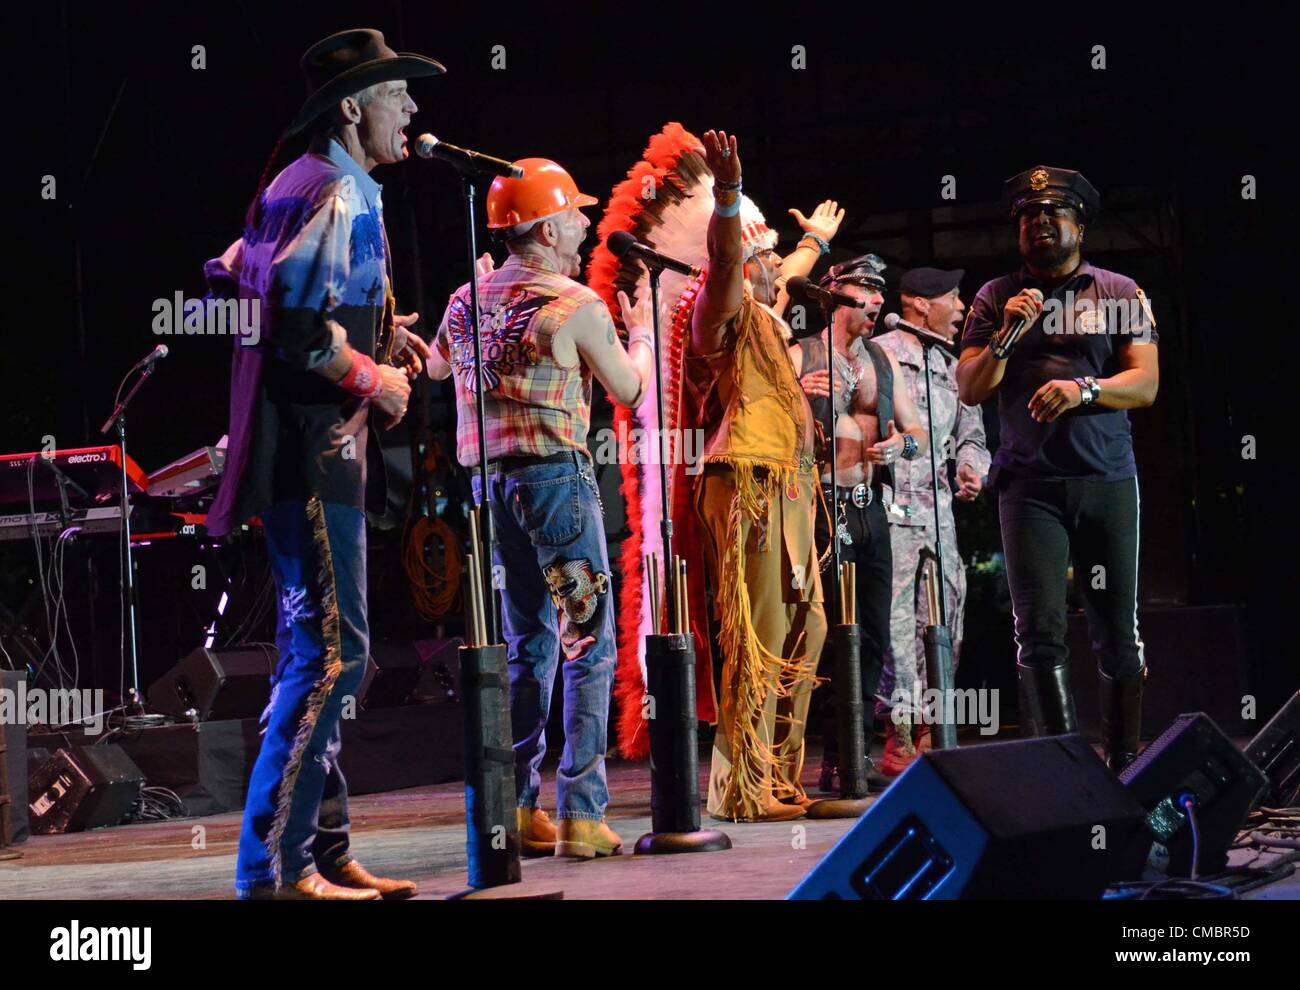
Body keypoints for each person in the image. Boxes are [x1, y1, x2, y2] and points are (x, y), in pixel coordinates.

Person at [206, 29, 442, 900]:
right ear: (352, 108)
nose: (411, 109)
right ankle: (272, 866)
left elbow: (255, 288)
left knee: (326, 654)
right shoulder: (337, 192)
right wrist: (375, 376)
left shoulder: (305, 187)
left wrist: (384, 332)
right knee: (333, 659)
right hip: (315, 461)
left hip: (313, 458)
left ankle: (322, 851)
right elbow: (296, 333)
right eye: (396, 94)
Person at [426, 158, 654, 858]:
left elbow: (436, 367)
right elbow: (632, 391)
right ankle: (582, 812)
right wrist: (640, 329)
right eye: (576, 215)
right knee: (589, 642)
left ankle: (522, 806)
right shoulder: (576, 303)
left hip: (489, 491)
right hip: (555, 486)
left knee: (531, 645)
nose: (587, 225)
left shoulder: (466, 299)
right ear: (548, 226)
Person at [956, 166, 1159, 771]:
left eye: (1053, 213)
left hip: (1106, 482)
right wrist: (1007, 337)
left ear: (1080, 224)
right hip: (1029, 487)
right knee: (1039, 634)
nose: (1038, 223)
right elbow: (970, 388)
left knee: (1116, 633)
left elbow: (1145, 384)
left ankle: (1124, 767)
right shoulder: (995, 297)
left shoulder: (1120, 293)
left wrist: (1085, 390)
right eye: (1027, 215)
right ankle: (1069, 771)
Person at [687, 129, 845, 821]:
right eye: (769, 254)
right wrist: (727, 194)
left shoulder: (766, 307)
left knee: (804, 631)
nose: (780, 263)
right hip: (747, 478)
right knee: (758, 633)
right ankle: (740, 787)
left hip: (788, 483)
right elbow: (730, 264)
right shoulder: (720, 313)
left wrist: (817, 242)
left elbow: (771, 271)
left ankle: (779, 775)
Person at [789, 254, 928, 790]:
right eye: (864, 288)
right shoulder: (799, 352)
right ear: (835, 294)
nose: (875, 299)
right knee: (825, 631)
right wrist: (800, 398)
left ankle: (854, 751)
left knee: (872, 632)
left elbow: (916, 432)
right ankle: (826, 752)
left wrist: (902, 444)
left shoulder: (883, 361)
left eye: (879, 287)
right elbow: (766, 424)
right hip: (818, 506)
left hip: (871, 505)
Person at [873, 267, 989, 776]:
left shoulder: (951, 364)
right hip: (891, 508)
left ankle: (934, 731)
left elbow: (974, 435)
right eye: (953, 297)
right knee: (897, 626)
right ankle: (898, 733)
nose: (962, 307)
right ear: (920, 304)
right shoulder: (879, 355)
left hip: (940, 516)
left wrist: (971, 467)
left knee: (946, 620)